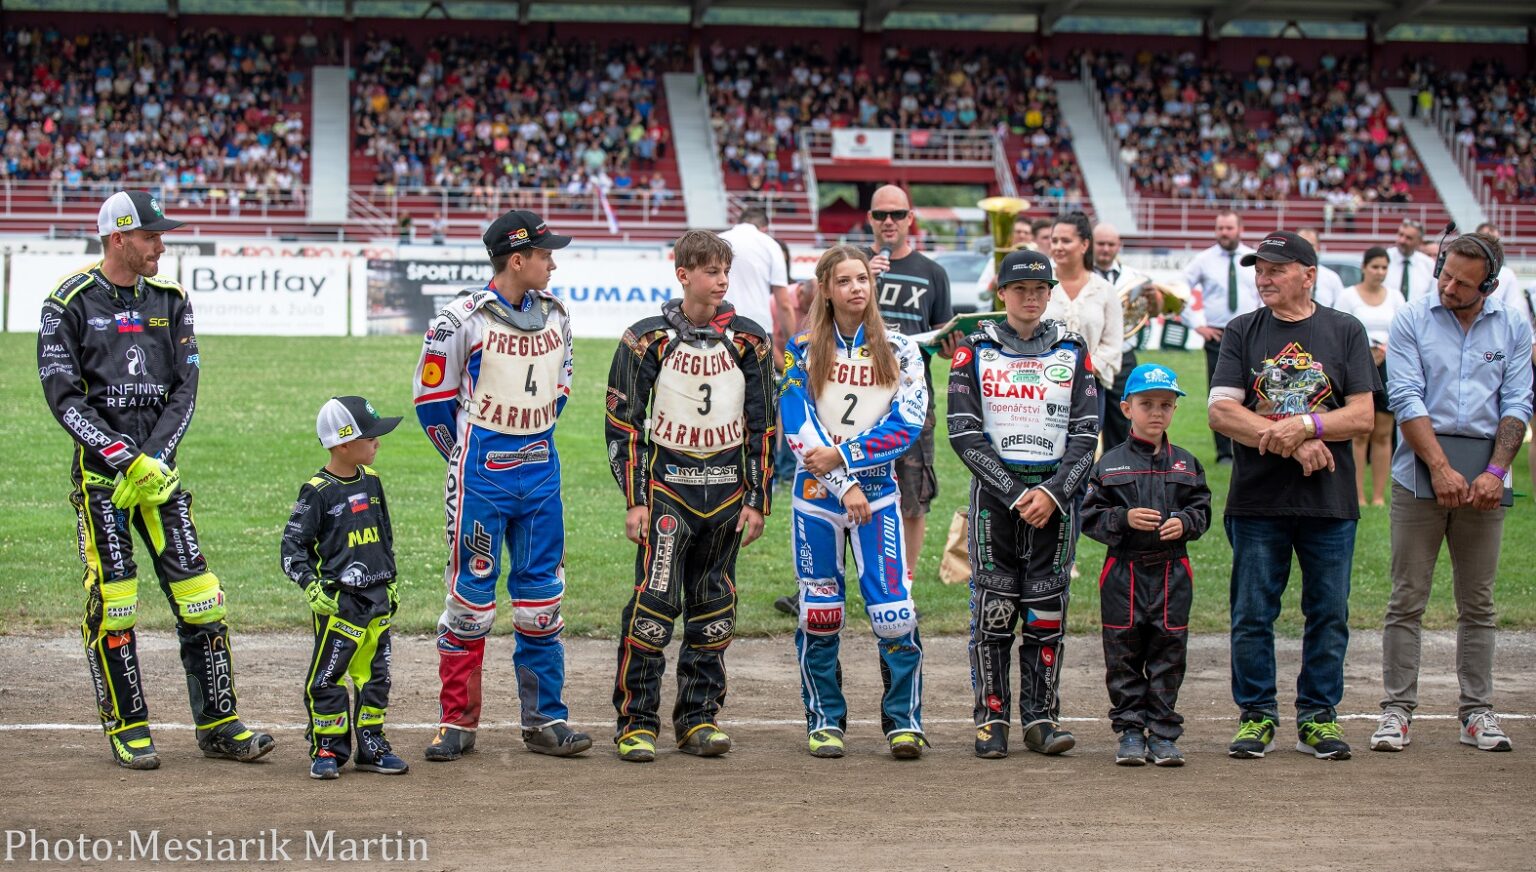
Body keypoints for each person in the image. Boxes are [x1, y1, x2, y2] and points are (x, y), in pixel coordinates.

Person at [38, 190, 274, 769]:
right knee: (115, 605)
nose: (160, 246)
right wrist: (126, 460)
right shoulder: (65, 304)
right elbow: (64, 399)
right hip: (105, 485)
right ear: (119, 237)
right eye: (150, 236)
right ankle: (129, 725)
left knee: (201, 599)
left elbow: (184, 389)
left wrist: (155, 461)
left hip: (160, 481)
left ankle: (220, 724)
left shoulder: (171, 300)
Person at [412, 209, 593, 761]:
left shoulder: (558, 315)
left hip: (541, 470)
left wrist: (527, 436)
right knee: (470, 599)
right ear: (518, 260)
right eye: (545, 254)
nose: (553, 263)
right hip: (481, 476)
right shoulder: (459, 319)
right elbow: (431, 402)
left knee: (542, 601)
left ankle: (545, 720)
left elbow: (561, 388)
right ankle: (455, 722)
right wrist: (468, 457)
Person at [605, 230, 776, 763]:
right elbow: (622, 423)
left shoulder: (751, 338)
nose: (722, 280)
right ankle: (636, 722)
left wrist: (757, 499)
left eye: (726, 270)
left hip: (726, 495)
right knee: (654, 606)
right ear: (683, 274)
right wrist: (635, 498)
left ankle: (699, 719)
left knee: (715, 607)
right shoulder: (645, 337)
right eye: (710, 271)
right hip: (667, 493)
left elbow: (763, 425)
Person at [1208, 231, 1378, 761]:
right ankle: (1256, 715)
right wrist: (1294, 445)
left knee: (1328, 612)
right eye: (1259, 269)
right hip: (1258, 501)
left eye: (1277, 269)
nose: (1264, 278)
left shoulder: (1344, 330)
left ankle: (1318, 716)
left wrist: (1305, 425)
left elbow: (1363, 416)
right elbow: (1220, 412)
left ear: (1309, 274)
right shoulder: (1241, 331)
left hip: (1329, 503)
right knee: (1252, 613)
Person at [1374, 231, 1531, 754]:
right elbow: (1404, 395)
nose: (1449, 287)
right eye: (1444, 275)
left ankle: (1477, 713)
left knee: (1479, 603)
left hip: (1487, 479)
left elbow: (1517, 402)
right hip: (1417, 476)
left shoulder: (1512, 325)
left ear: (1488, 284)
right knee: (1406, 599)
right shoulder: (1412, 317)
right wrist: (1439, 467)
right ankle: (1396, 712)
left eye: (1463, 283)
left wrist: (1496, 471)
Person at [947, 249, 1100, 758]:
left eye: (1040, 290)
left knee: (1045, 615)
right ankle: (991, 719)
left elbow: (1086, 432)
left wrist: (1054, 492)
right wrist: (1016, 495)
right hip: (998, 499)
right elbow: (963, 433)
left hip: (1056, 499)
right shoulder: (975, 348)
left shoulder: (1073, 350)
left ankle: (1041, 718)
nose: (1031, 298)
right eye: (1020, 289)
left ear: (1050, 293)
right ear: (1002, 294)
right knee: (994, 614)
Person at [780, 244, 929, 760]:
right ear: (825, 288)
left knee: (894, 612)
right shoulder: (801, 349)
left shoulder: (902, 349)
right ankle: (825, 721)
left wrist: (845, 460)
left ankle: (904, 723)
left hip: (879, 494)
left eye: (862, 278)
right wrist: (844, 483)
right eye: (843, 281)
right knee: (820, 614)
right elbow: (796, 421)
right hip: (817, 499)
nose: (856, 288)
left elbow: (906, 425)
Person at [1082, 364, 1211, 767]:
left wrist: (1186, 523)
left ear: (1174, 410)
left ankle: (1164, 732)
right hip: (1124, 572)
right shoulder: (1110, 465)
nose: (1156, 413)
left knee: (1169, 651)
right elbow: (1089, 517)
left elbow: (1202, 509)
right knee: (1122, 652)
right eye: (1147, 404)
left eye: (1165, 405)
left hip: (1173, 572)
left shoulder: (1187, 465)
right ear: (1126, 408)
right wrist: (1122, 520)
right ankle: (1131, 732)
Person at [282, 396, 408, 780]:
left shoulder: (373, 482)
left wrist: (391, 579)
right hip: (341, 605)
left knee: (376, 677)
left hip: (377, 601)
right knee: (327, 678)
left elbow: (383, 535)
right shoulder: (318, 491)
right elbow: (291, 548)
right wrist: (310, 585)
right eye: (370, 437)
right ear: (342, 444)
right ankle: (327, 748)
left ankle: (372, 743)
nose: (377, 443)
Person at [864, 184, 958, 579]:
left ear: (910, 219)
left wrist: (950, 344)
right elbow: (820, 319)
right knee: (845, 490)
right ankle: (829, 583)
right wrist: (863, 279)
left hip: (912, 397)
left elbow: (941, 339)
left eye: (897, 214)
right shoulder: (851, 263)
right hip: (855, 392)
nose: (889, 222)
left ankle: (904, 582)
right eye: (881, 214)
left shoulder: (932, 272)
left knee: (913, 493)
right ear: (869, 219)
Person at [1185, 210, 1259, 464]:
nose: (1224, 233)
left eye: (1229, 228)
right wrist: (1197, 324)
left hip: (1252, 333)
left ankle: (1249, 442)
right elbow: (1180, 289)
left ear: (1240, 229)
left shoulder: (1254, 259)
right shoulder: (1203, 260)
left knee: (1255, 389)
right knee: (1219, 392)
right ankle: (1224, 453)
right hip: (1218, 334)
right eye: (1220, 228)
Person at [1334, 247, 1403, 506]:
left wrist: (1384, 351)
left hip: (1387, 365)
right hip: (1357, 365)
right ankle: (1357, 493)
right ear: (1364, 267)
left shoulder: (1395, 297)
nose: (1380, 272)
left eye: (1384, 267)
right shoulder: (1347, 296)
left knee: (1383, 432)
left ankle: (1378, 496)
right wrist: (1366, 352)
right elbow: (1339, 331)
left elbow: (1401, 330)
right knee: (1359, 433)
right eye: (1375, 267)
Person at [1093, 222, 1168, 449]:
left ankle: (1116, 472)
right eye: (1101, 244)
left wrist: (1153, 299)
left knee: (1122, 417)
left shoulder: (1135, 277)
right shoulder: (1081, 276)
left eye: (1110, 244)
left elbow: (1152, 312)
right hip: (1090, 355)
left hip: (1122, 356)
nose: (1106, 249)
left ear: (1119, 246)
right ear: (1090, 245)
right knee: (1086, 420)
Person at [1045, 211, 1121, 424]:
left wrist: (1086, 368)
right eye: (1054, 240)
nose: (1058, 246)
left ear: (1084, 245)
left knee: (1084, 451)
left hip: (1089, 387)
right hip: (1041, 386)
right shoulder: (1038, 285)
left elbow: (1113, 344)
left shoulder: (1105, 290)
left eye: (1066, 240)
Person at [720, 205, 791, 350]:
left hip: (720, 325)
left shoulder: (717, 240)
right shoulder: (770, 244)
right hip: (758, 327)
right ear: (764, 228)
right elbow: (783, 303)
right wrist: (793, 345)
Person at [1385, 219, 1436, 303]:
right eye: (1400, 235)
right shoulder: (1384, 258)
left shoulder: (1428, 264)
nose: (1402, 240)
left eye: (1408, 238)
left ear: (1419, 241)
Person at [1295, 227, 1344, 308]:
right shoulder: (1284, 276)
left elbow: (1341, 310)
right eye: (1300, 244)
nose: (1304, 249)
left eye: (1310, 245)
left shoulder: (1332, 278)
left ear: (1318, 247)